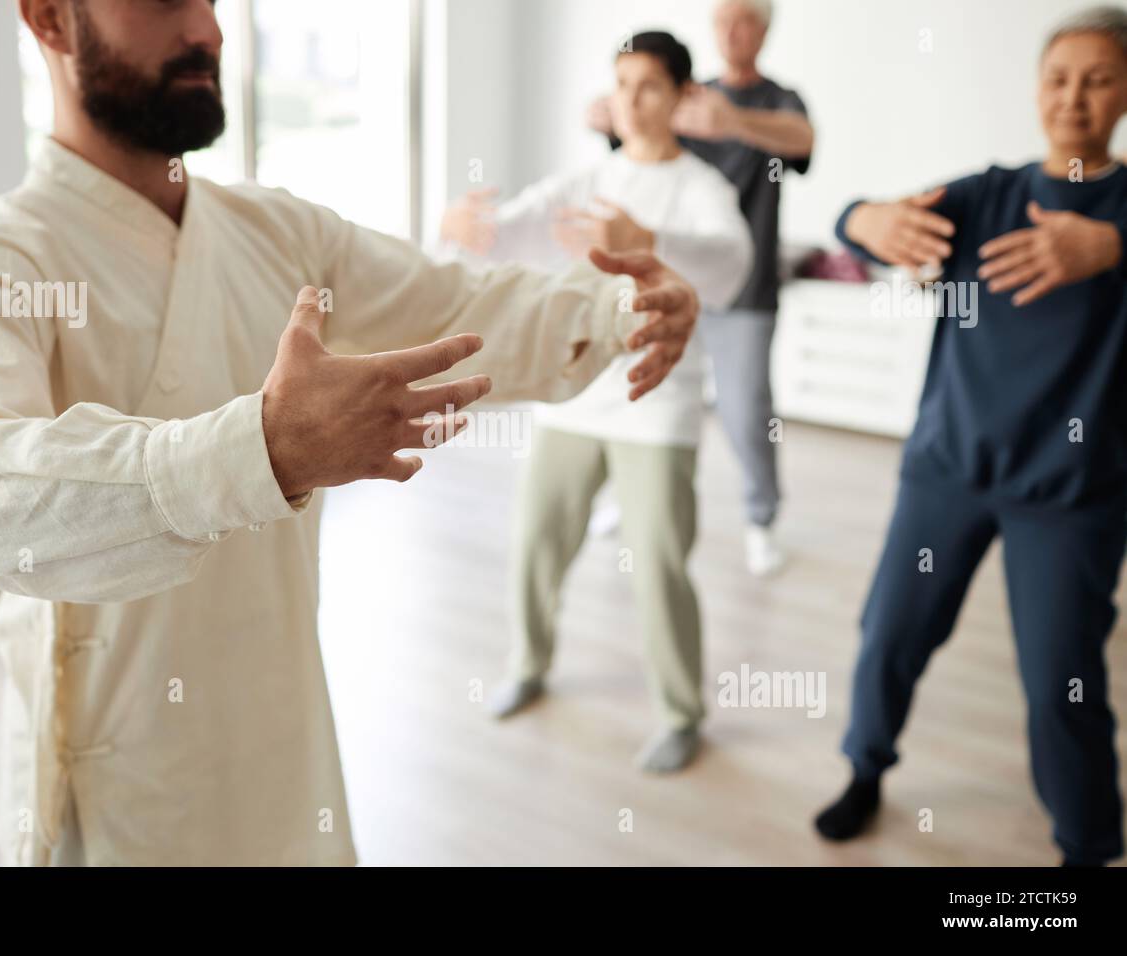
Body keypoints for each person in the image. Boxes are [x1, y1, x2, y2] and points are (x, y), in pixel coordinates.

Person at [0, 0, 702, 866]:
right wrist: (259, 451)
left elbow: (456, 303)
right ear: (51, 19)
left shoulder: (276, 231)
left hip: (282, 733)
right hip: (122, 768)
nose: (207, 29)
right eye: (167, 2)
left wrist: (619, 306)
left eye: (211, 0)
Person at [815, 6, 1127, 867]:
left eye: (1099, 78)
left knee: (1061, 685)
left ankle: (1087, 848)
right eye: (1060, 78)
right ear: (1036, 91)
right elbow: (860, 221)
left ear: (1125, 92)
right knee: (890, 633)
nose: (1075, 98)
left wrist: (1110, 243)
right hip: (949, 468)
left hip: (1072, 494)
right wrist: (865, 219)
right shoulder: (989, 193)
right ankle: (865, 768)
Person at [442, 32, 751, 772]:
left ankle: (681, 713)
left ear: (682, 96)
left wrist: (649, 238)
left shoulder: (703, 188)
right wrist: (459, 227)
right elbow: (500, 234)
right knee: (536, 541)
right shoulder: (585, 181)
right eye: (621, 84)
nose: (632, 100)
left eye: (648, 85)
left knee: (658, 562)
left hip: (658, 402)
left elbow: (733, 271)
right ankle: (528, 664)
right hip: (574, 396)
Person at [588, 0, 812, 577]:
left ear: (763, 31)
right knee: (638, 387)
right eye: (723, 21)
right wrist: (612, 113)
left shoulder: (777, 101)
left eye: (745, 21)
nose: (732, 32)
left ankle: (761, 521)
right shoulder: (684, 92)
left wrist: (732, 122)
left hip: (743, 291)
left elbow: (802, 138)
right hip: (668, 284)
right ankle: (626, 493)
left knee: (744, 411)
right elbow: (636, 153)